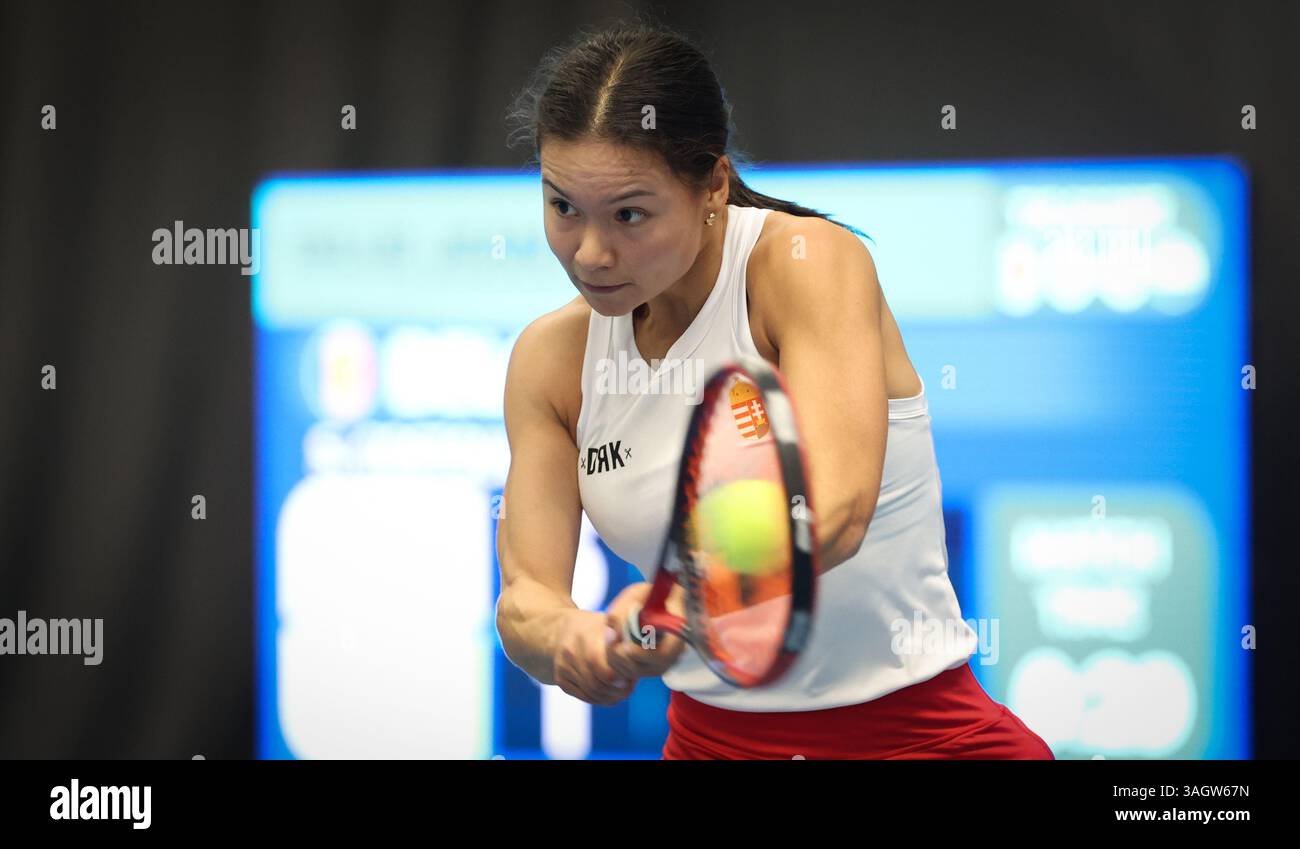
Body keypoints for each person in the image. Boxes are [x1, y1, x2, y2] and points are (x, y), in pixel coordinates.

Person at [495, 19, 1053, 760]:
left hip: (921, 736)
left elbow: (835, 507)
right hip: (708, 743)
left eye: (629, 214)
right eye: (563, 206)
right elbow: (525, 597)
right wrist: (573, 637)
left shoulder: (804, 261)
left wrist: (679, 601)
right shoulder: (550, 358)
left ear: (713, 186)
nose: (591, 253)